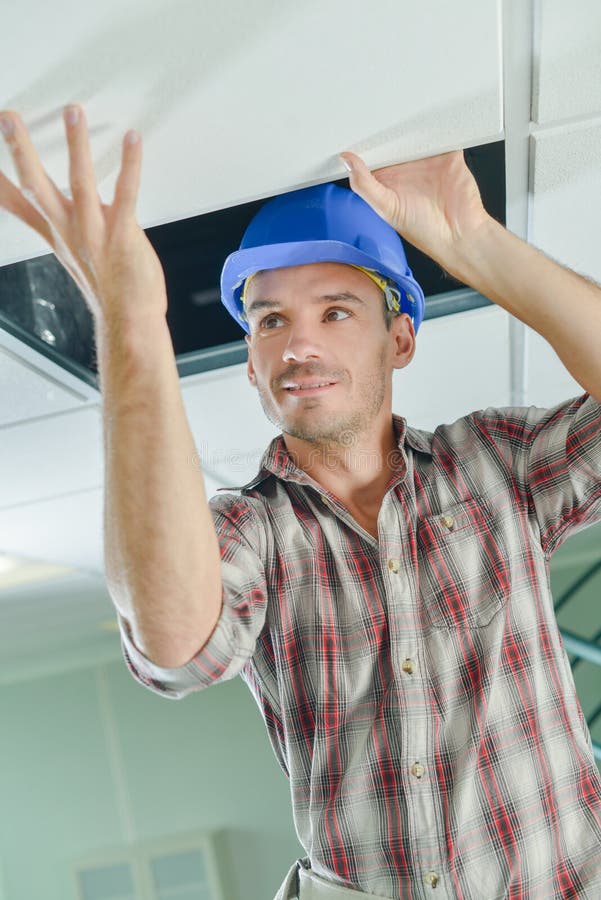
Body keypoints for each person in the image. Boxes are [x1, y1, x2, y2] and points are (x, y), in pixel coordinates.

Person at [1, 105, 600, 899]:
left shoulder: (493, 462)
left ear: (400, 339)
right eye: (270, 320)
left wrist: (471, 241)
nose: (297, 345)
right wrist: (131, 320)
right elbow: (176, 645)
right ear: (249, 363)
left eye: (335, 312)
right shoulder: (251, 531)